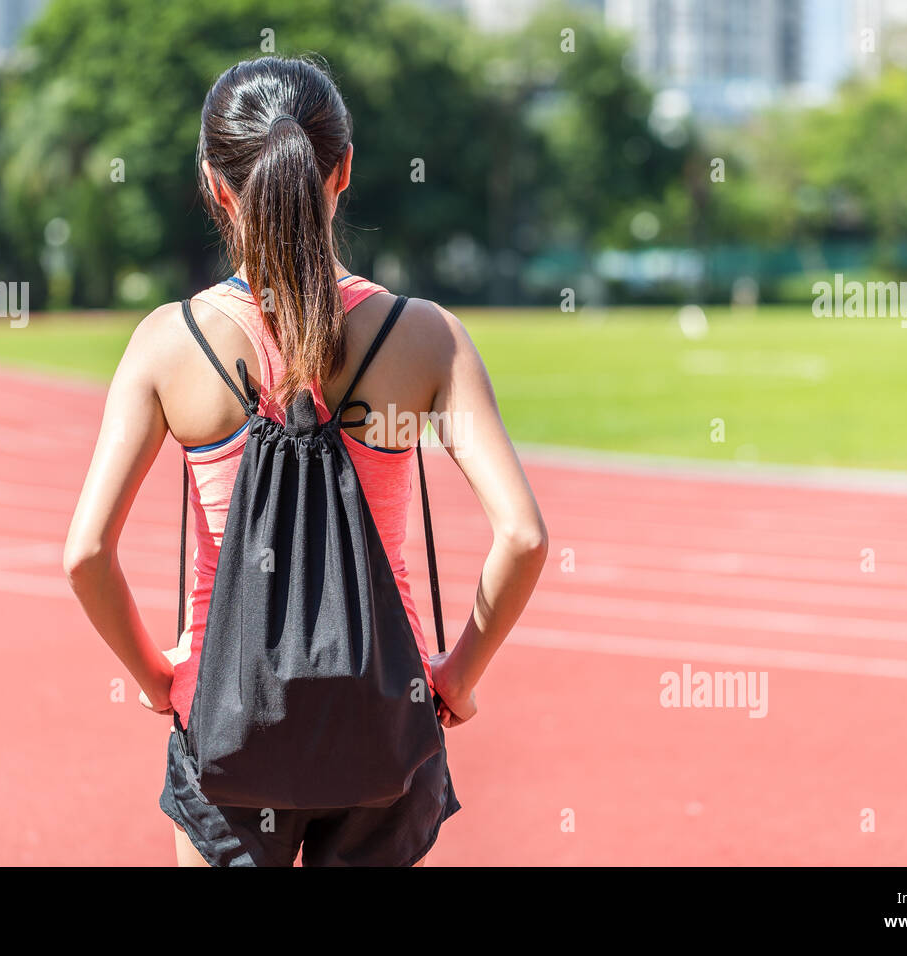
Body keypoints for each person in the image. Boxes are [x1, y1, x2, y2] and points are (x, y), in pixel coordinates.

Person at [63, 54, 547, 867]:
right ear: (344, 169)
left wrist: (156, 680)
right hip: (382, 722)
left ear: (217, 185)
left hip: (228, 721)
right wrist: (458, 675)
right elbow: (524, 538)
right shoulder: (424, 337)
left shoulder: (168, 344)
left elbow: (85, 555)